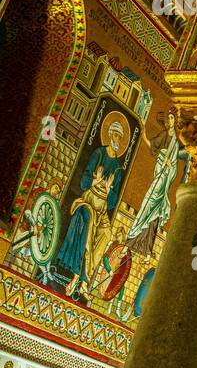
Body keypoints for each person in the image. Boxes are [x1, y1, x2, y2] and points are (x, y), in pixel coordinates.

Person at [57, 120, 128, 301]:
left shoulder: (118, 168)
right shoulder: (99, 153)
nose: (116, 139)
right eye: (114, 135)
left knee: (105, 234)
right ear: (110, 134)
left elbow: (112, 203)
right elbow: (83, 182)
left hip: (102, 209)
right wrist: (95, 182)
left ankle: (83, 280)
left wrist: (110, 188)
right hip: (88, 202)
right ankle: (79, 280)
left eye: (119, 137)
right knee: (88, 229)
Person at [125, 109, 188, 258]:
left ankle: (146, 246)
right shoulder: (164, 135)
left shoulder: (177, 142)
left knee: (157, 208)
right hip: (159, 172)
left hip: (166, 176)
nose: (170, 121)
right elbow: (152, 145)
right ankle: (135, 235)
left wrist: (170, 164)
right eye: (169, 118)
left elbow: (178, 160)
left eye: (173, 118)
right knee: (149, 199)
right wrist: (144, 135)